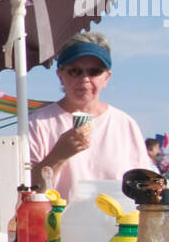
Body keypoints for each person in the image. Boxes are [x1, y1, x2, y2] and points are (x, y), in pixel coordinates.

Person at [29, 32, 156, 201]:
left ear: (106, 77)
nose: (85, 79)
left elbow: (143, 190)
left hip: (117, 226)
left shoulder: (125, 124)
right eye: (75, 71)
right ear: (60, 75)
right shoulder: (38, 123)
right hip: (58, 226)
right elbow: (26, 190)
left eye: (94, 71)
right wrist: (58, 156)